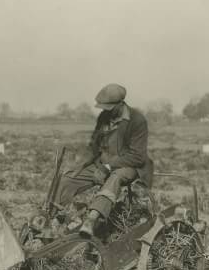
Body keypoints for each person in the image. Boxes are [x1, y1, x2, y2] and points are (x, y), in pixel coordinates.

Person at [54, 83, 154, 238]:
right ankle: (54, 218)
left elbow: (138, 156)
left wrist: (108, 167)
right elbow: (94, 147)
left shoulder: (137, 120)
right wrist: (78, 166)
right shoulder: (104, 118)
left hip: (129, 166)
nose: (105, 111)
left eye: (109, 108)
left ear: (120, 104)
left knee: (115, 178)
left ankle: (91, 220)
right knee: (68, 178)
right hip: (102, 164)